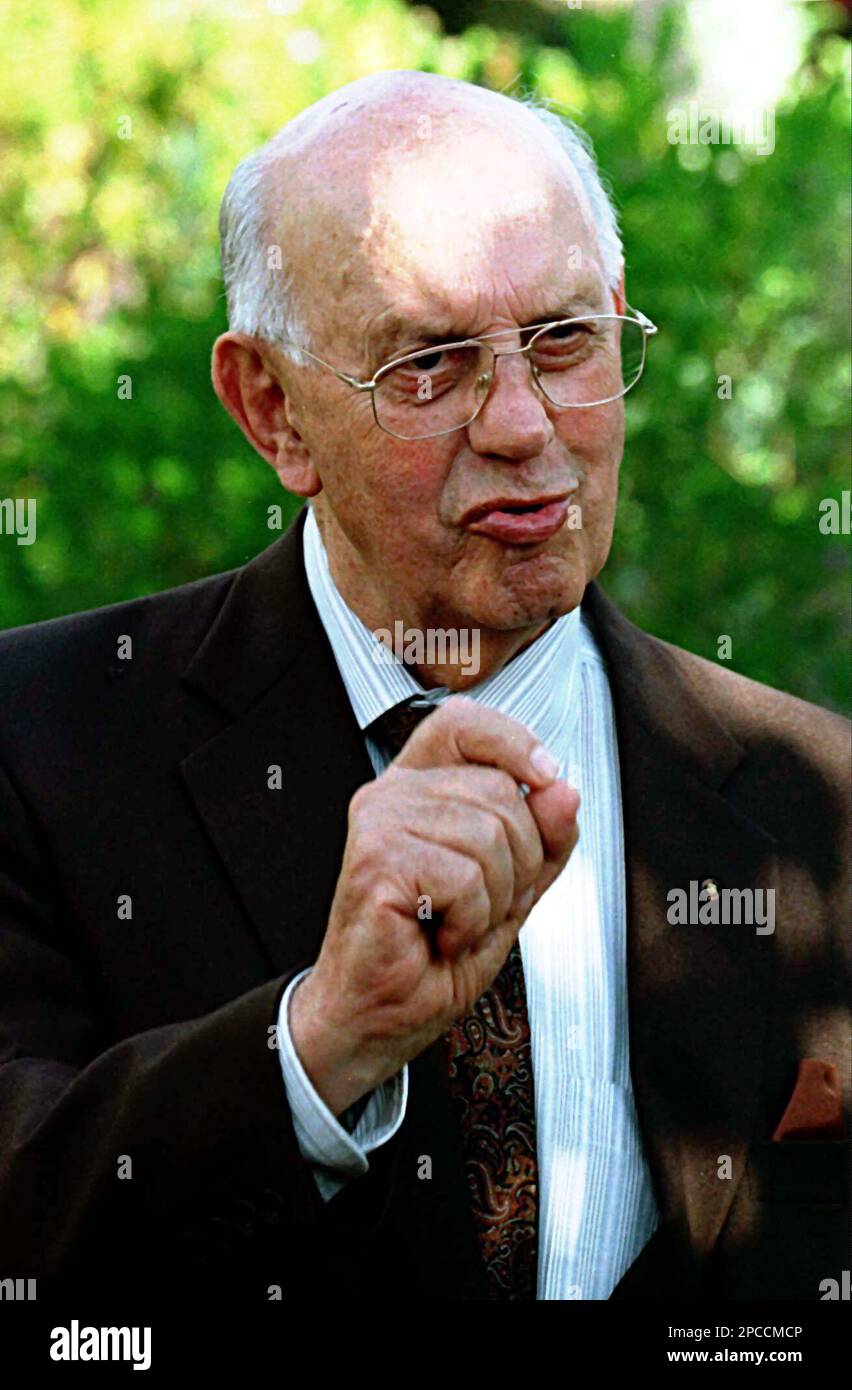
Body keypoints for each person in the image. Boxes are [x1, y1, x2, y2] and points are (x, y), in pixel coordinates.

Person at [0, 71, 847, 1302]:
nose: (522, 422)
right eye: (432, 365)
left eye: (563, 341)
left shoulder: (819, 798)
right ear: (273, 411)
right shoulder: (40, 742)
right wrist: (319, 1046)